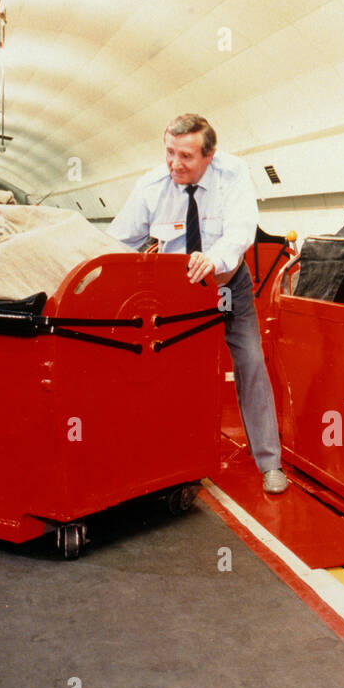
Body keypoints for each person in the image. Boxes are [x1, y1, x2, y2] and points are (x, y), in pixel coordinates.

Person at [108, 114, 288, 494]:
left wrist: (215, 259)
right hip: (176, 291)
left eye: (186, 156)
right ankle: (167, 463)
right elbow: (118, 240)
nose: (175, 163)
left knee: (251, 363)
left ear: (210, 156)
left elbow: (240, 232)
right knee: (166, 370)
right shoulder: (153, 186)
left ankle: (270, 463)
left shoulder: (233, 175)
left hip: (226, 284)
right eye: (170, 152)